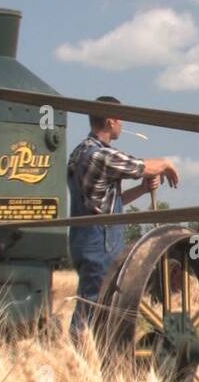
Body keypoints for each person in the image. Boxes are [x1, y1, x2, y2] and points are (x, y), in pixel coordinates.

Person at [66, 96, 180, 342]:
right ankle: (77, 364)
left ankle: (94, 361)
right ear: (110, 121)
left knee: (98, 308)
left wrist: (141, 189)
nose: (123, 124)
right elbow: (142, 165)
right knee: (92, 308)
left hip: (84, 238)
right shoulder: (100, 155)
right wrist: (166, 164)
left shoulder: (79, 152)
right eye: (120, 118)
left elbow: (109, 202)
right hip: (100, 243)